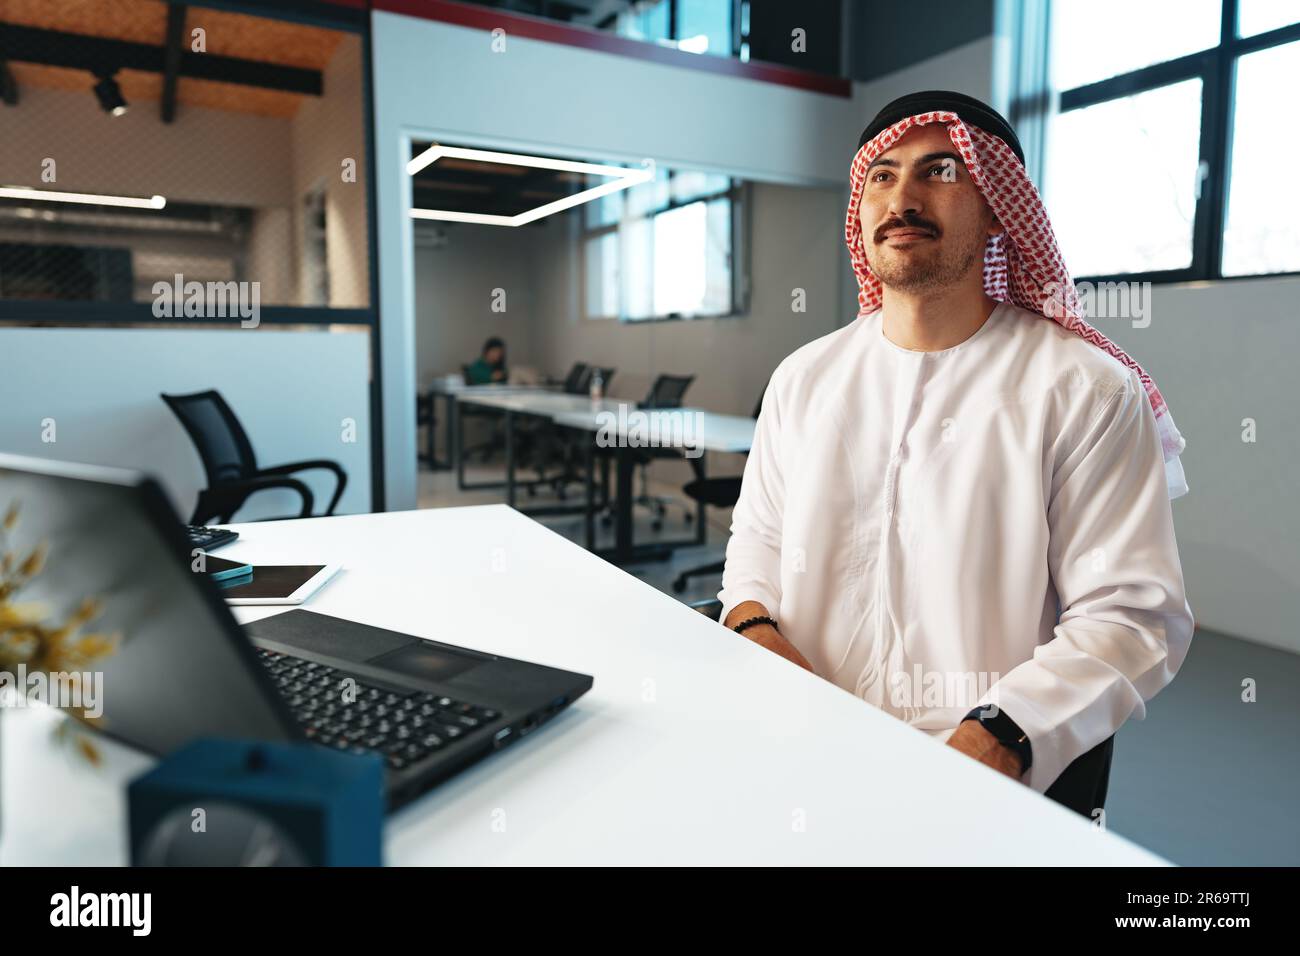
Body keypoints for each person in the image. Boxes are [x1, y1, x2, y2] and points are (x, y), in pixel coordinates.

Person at [717, 90, 1194, 816]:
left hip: (979, 779)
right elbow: (758, 537)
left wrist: (995, 740)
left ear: (1000, 205)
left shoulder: (1085, 388)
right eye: (881, 175)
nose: (901, 197)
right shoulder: (804, 378)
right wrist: (753, 626)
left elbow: (1131, 616)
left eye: (940, 171)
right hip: (801, 748)